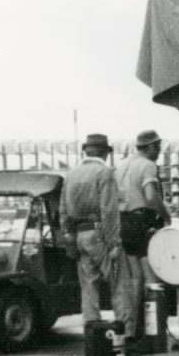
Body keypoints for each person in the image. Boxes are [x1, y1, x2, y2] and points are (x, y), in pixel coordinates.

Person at [59, 133, 133, 341]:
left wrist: (69, 235)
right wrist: (114, 242)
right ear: (105, 153)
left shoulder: (71, 174)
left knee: (89, 289)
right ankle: (124, 336)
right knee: (119, 285)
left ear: (86, 151)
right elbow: (108, 211)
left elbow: (63, 210)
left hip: (79, 235)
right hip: (100, 234)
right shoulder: (104, 173)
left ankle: (92, 337)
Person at [116, 129, 171, 340]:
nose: (159, 150)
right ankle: (153, 332)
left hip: (124, 222)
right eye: (157, 146)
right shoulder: (148, 165)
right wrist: (166, 216)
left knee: (134, 279)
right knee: (151, 278)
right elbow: (150, 197)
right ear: (149, 147)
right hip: (142, 222)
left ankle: (132, 329)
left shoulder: (123, 165)